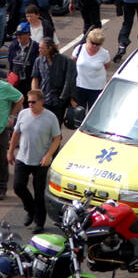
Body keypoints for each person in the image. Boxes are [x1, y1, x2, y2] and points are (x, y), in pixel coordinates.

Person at [8, 87, 61, 231]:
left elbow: (57, 138)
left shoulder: (50, 117)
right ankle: (30, 209)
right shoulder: (24, 114)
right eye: (29, 102)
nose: (30, 104)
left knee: (39, 193)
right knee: (18, 186)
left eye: (33, 102)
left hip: (40, 161)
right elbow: (16, 133)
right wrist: (11, 151)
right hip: (23, 157)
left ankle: (39, 223)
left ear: (41, 102)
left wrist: (48, 155)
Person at [69, 29, 111, 114]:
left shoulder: (104, 54)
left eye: (98, 44)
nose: (95, 46)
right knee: (78, 113)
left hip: (96, 89)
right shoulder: (79, 49)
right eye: (93, 43)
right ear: (88, 40)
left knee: (94, 114)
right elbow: (72, 64)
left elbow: (107, 66)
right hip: (79, 86)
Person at [0, 73, 23, 199]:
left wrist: (12, 116)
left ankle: (2, 187)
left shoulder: (5, 87)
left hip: (1, 129)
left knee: (1, 160)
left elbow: (20, 98)